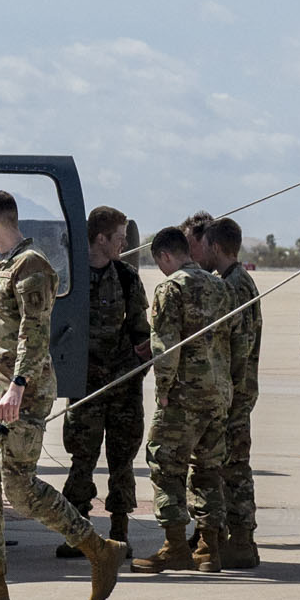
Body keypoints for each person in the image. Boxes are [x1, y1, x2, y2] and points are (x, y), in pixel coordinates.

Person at [0, 189, 124, 600]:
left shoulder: (32, 267)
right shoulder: (5, 265)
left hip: (19, 396)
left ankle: (98, 549)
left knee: (18, 490)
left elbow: (34, 334)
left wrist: (17, 388)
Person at [130, 218, 232, 575]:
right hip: (218, 394)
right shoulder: (220, 288)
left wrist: (162, 391)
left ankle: (175, 545)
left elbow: (167, 347)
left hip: (184, 395)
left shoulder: (171, 288)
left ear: (164, 256)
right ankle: (209, 549)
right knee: (207, 471)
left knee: (165, 465)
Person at [56, 206, 148, 560]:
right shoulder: (70, 281)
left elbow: (142, 333)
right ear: (100, 238)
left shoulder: (126, 278)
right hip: (85, 388)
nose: (125, 243)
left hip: (123, 388)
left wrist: (136, 368)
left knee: (122, 463)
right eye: (120, 238)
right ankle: (77, 534)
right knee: (81, 460)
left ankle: (120, 534)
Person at [204, 215, 264, 570]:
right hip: (236, 390)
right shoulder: (235, 281)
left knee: (234, 468)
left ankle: (241, 540)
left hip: (234, 392)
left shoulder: (234, 287)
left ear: (215, 246)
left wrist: (225, 392)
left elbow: (236, 347)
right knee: (232, 465)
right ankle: (239, 539)